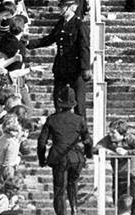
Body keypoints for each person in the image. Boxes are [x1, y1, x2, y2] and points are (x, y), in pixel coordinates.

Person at [28, 0, 91, 121]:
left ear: (73, 7)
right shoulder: (61, 23)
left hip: (75, 68)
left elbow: (84, 47)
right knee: (59, 100)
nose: (61, 9)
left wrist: (86, 68)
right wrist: (29, 43)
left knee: (79, 104)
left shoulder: (80, 25)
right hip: (62, 67)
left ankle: (81, 134)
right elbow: (49, 39)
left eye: (64, 6)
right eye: (61, 6)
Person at [37, 86, 93, 215]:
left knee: (59, 189)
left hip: (59, 157)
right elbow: (87, 140)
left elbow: (41, 142)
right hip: (75, 157)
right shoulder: (79, 120)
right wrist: (88, 154)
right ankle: (74, 208)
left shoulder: (52, 119)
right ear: (73, 104)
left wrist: (42, 159)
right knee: (73, 184)